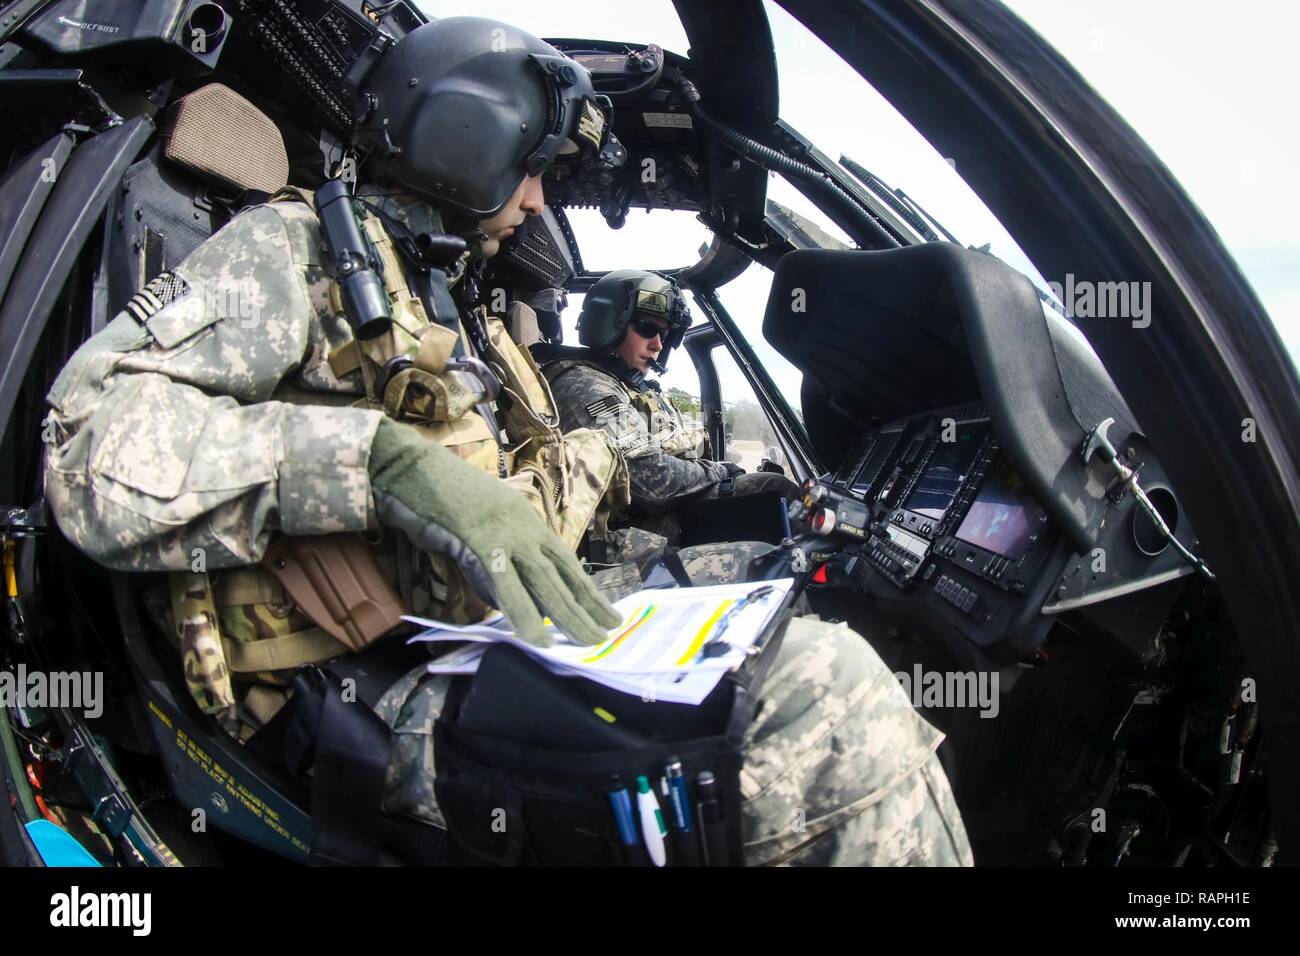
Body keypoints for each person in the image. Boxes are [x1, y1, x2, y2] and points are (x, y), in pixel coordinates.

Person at [42, 16, 971, 866]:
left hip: (462, 639)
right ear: (467, 140)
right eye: (533, 170)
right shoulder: (291, 250)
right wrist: (378, 463)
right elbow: (87, 451)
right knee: (828, 703)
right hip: (359, 693)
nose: (536, 200)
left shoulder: (434, 293)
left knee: (792, 603)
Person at [543, 269, 800, 556]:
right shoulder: (583, 385)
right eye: (646, 328)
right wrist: (720, 470)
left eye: (664, 333)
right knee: (773, 490)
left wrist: (721, 466)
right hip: (628, 533)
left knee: (774, 493)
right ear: (609, 322)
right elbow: (654, 482)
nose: (658, 344)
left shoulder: (634, 388)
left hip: (661, 514)